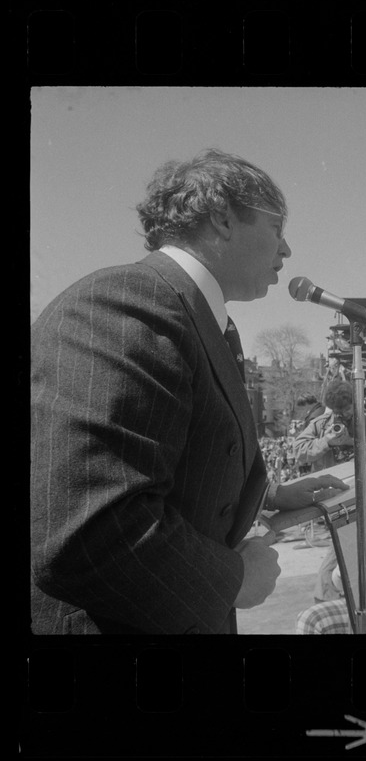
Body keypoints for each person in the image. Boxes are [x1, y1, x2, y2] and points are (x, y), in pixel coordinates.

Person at [30, 149, 349, 634]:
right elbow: (88, 528)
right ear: (223, 218)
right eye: (277, 228)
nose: (286, 250)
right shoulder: (128, 304)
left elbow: (176, 462)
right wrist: (232, 580)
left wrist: (269, 497)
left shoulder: (197, 317)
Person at [291, 379, 366, 473]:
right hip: (331, 477)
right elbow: (298, 449)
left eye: (347, 409)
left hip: (358, 475)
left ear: (353, 403)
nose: (345, 414)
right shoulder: (320, 423)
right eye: (339, 412)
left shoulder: (362, 420)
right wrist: (326, 441)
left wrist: (351, 441)